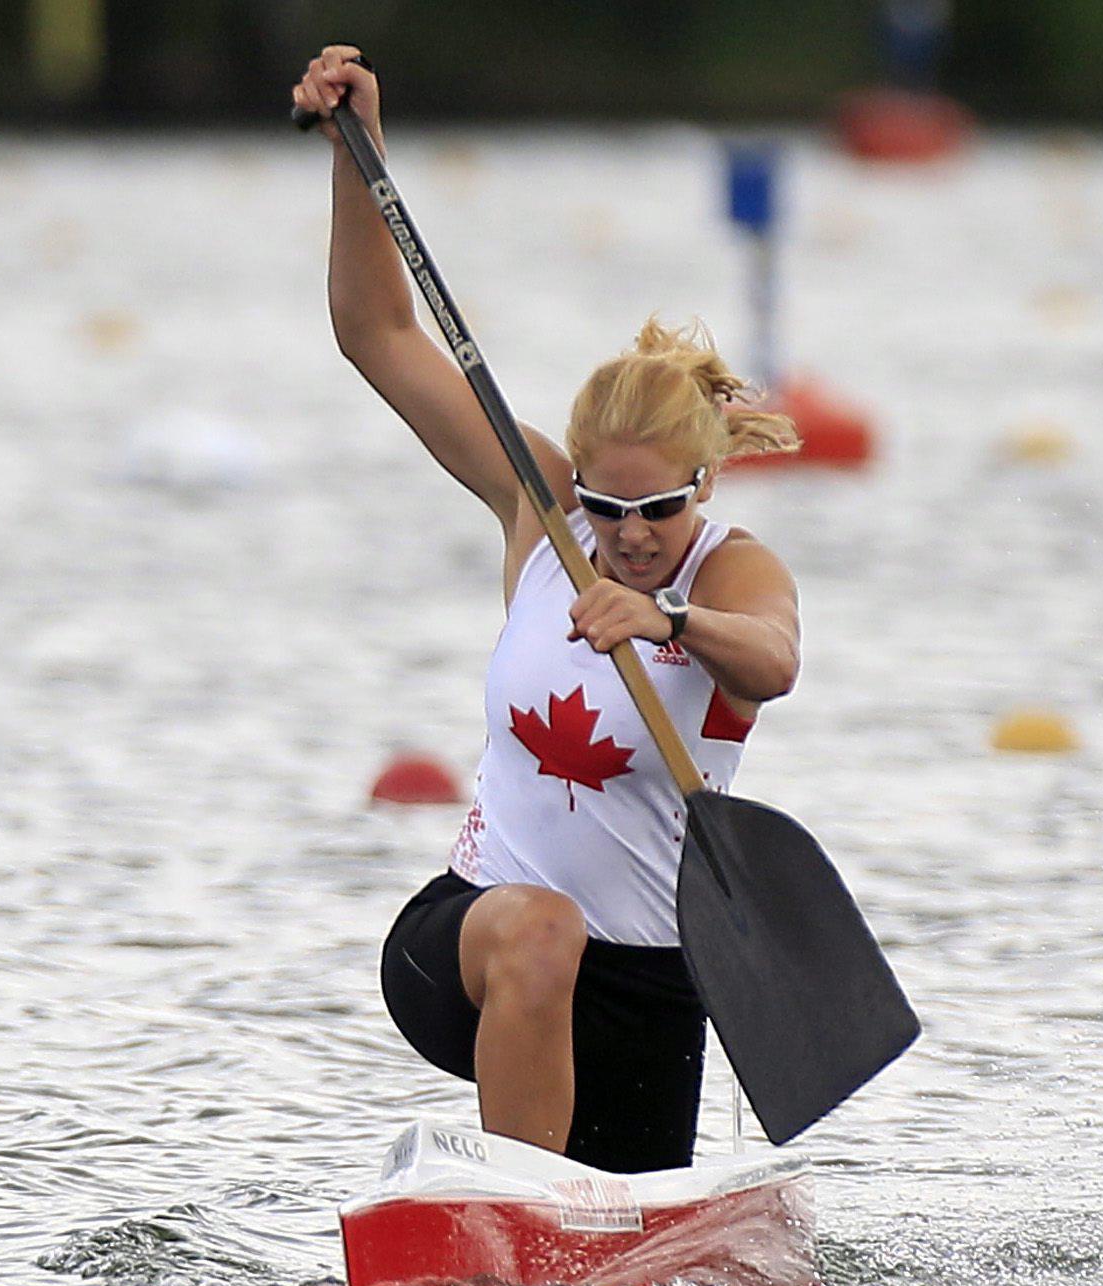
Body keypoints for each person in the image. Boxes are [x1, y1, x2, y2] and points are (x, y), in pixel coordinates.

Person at [295, 47, 804, 1174]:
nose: (626, 534)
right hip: (473, 936)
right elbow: (375, 334)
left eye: (657, 509)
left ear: (704, 485)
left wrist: (666, 623)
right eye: (609, 504)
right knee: (539, 925)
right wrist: (354, 151)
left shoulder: (731, 568)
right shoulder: (540, 513)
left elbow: (770, 662)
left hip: (645, 984)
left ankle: (552, 1224)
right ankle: (507, 1208)